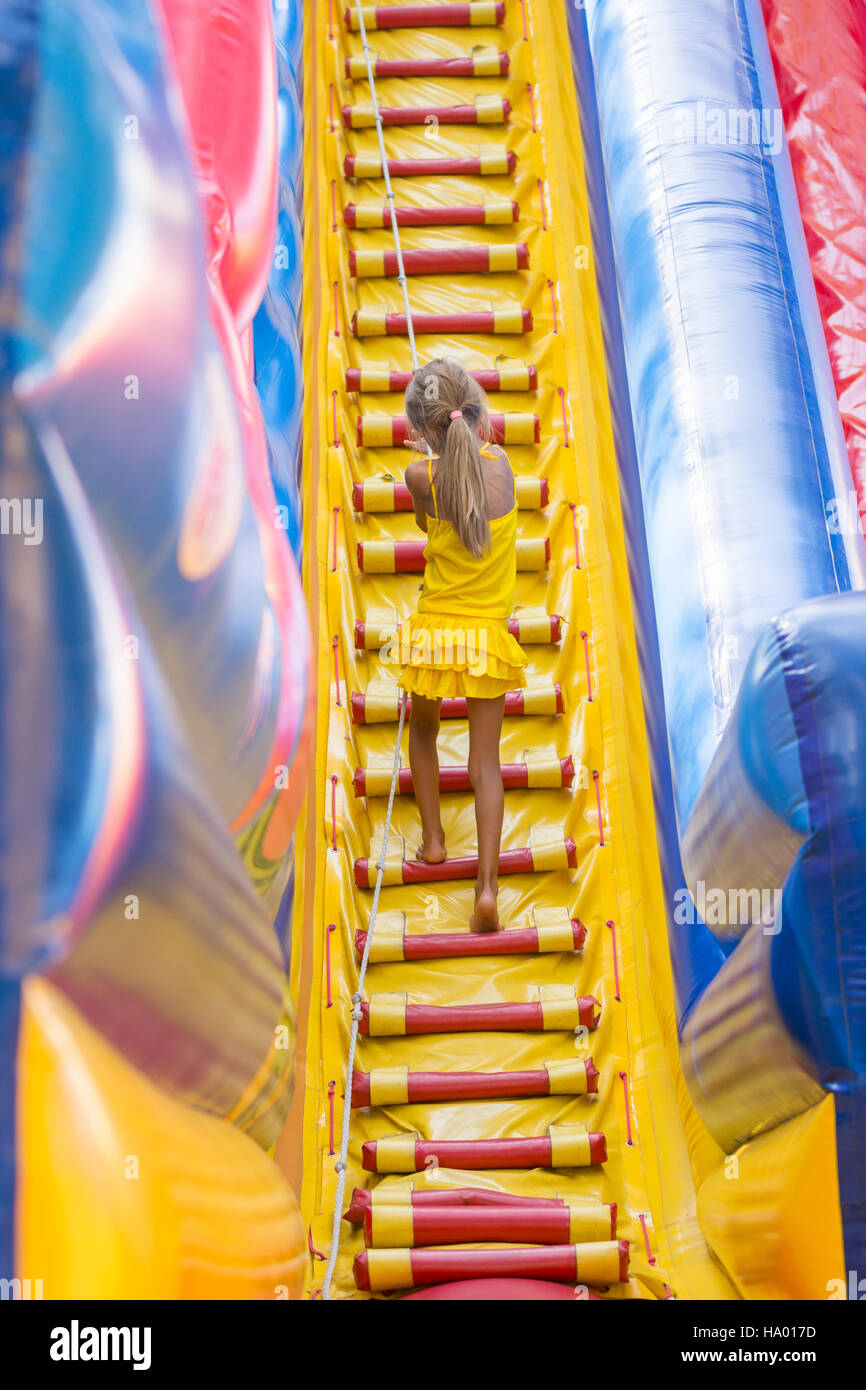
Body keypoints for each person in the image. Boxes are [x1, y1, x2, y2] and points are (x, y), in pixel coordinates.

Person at [398, 358, 528, 931]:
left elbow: (430, 529)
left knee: (423, 732)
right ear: (474, 414)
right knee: (486, 764)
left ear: (425, 430)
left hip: (435, 632)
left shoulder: (420, 476)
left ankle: (432, 841)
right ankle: (488, 888)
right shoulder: (503, 468)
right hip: (485, 638)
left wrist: (427, 459)